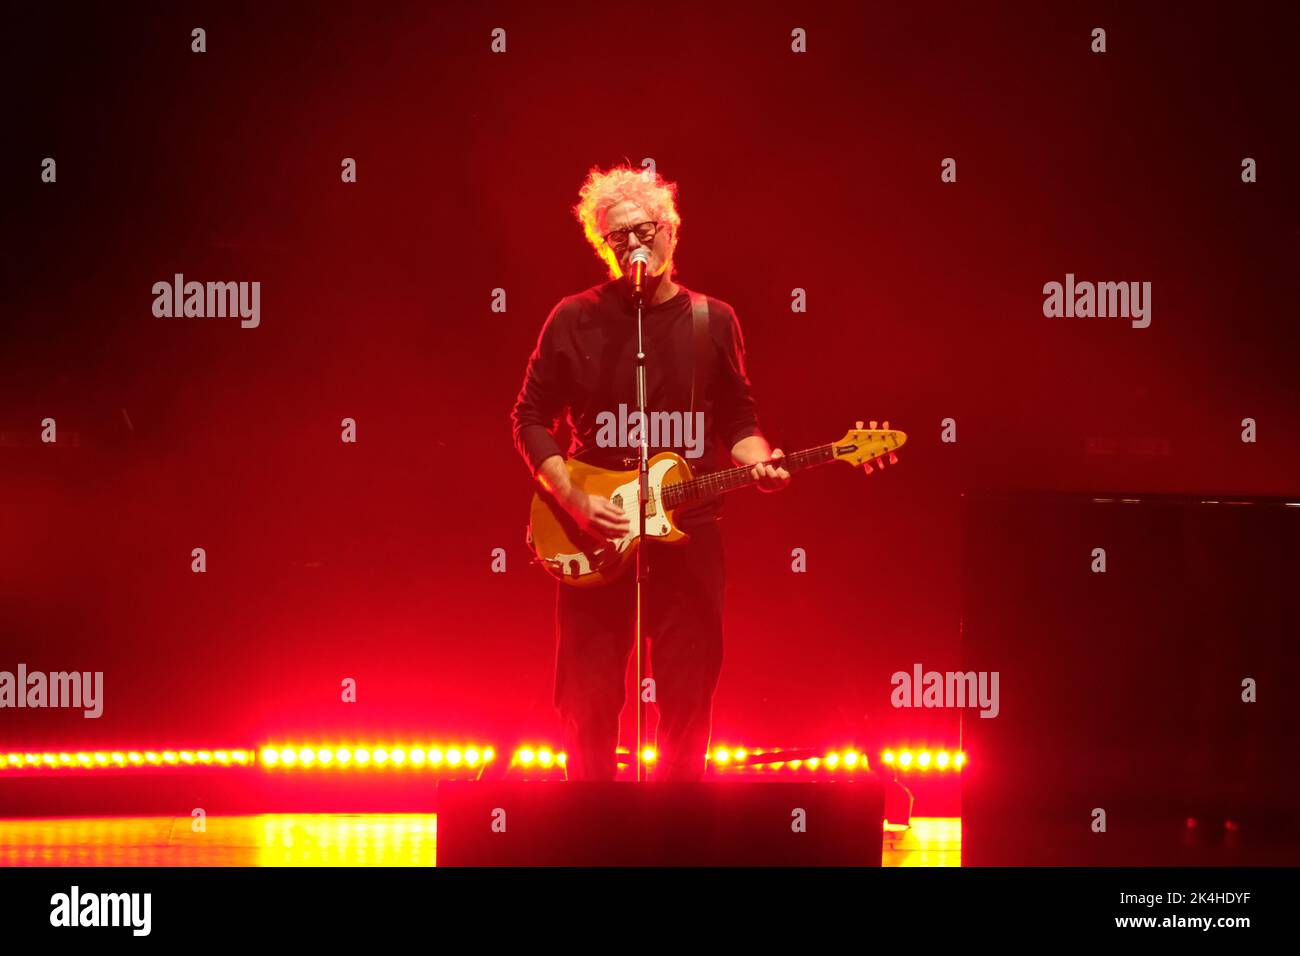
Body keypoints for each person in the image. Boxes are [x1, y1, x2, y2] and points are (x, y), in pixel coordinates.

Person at [510, 164, 790, 781]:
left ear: (672, 231)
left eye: (646, 231)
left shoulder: (712, 320)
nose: (635, 246)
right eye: (619, 238)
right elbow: (529, 417)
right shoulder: (573, 318)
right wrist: (575, 497)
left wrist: (758, 458)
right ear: (602, 246)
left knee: (688, 695)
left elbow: (739, 420)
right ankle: (591, 828)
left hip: (689, 526)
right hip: (594, 530)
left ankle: (677, 832)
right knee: (586, 699)